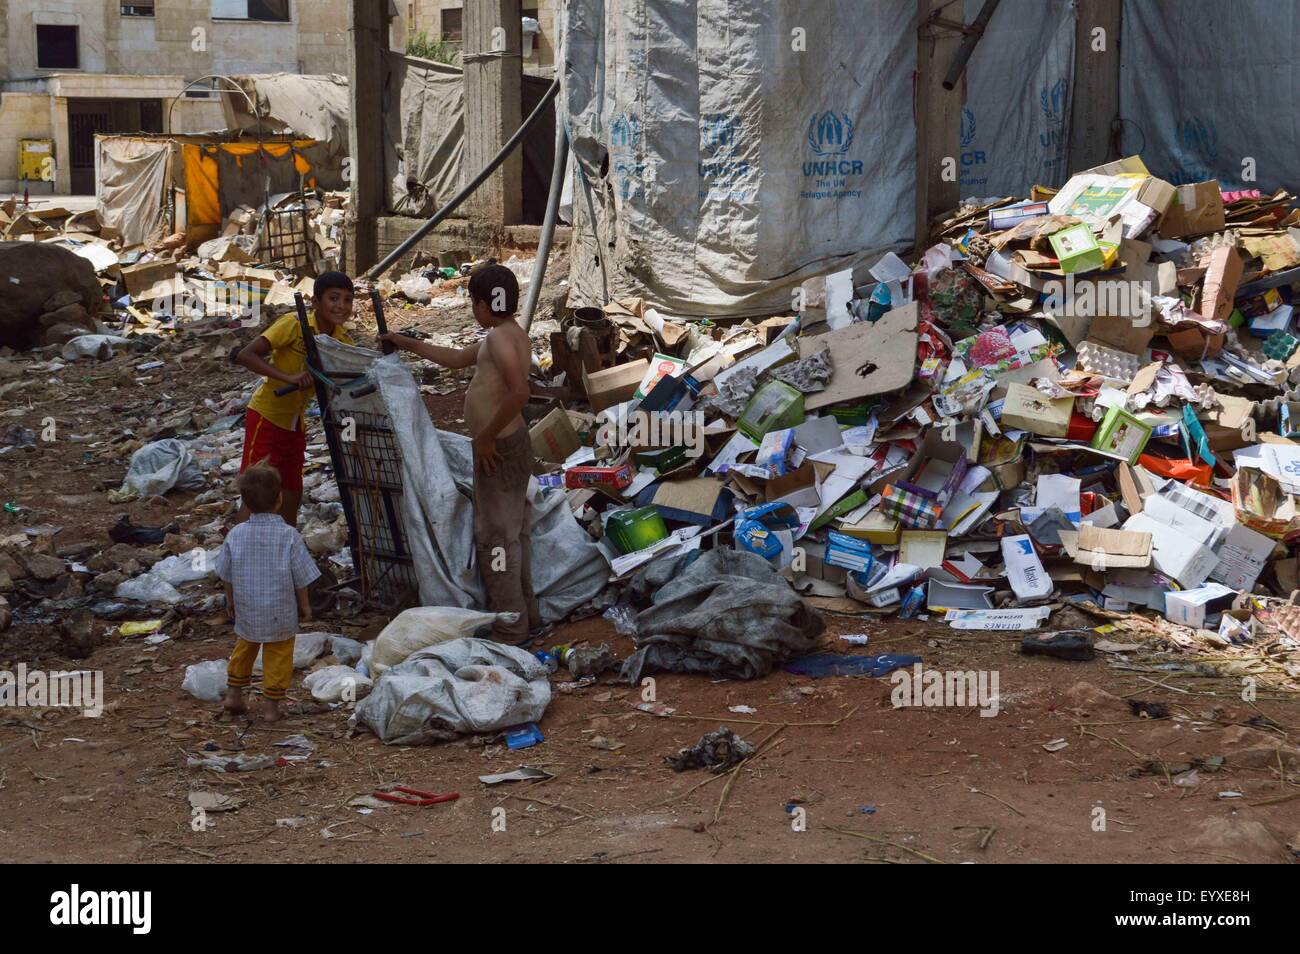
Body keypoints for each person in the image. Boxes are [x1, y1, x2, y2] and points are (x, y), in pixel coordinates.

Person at [380, 263, 540, 644]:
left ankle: (511, 628)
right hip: (511, 446)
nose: (473, 307)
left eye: (473, 301)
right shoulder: (507, 334)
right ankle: (528, 615)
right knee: (513, 535)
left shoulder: (500, 339)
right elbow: (454, 359)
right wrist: (407, 342)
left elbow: (521, 392)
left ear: (484, 304)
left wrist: (484, 438)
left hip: (498, 451)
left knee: (496, 541)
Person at [234, 271, 356, 526]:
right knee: (257, 490)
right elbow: (246, 355)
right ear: (316, 302)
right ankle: (240, 547)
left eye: (347, 300)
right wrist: (288, 377)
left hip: (294, 422)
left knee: (291, 488)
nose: (341, 306)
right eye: (334, 298)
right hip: (267, 415)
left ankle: (289, 542)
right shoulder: (294, 323)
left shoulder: (341, 340)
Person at [216, 463, 321, 723]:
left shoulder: (236, 535)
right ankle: (272, 709)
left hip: (247, 607)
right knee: (278, 654)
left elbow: (225, 573)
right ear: (280, 499)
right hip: (280, 611)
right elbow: (301, 577)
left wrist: (230, 601)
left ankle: (234, 695)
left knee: (244, 647)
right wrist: (305, 605)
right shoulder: (289, 535)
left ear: (245, 503)